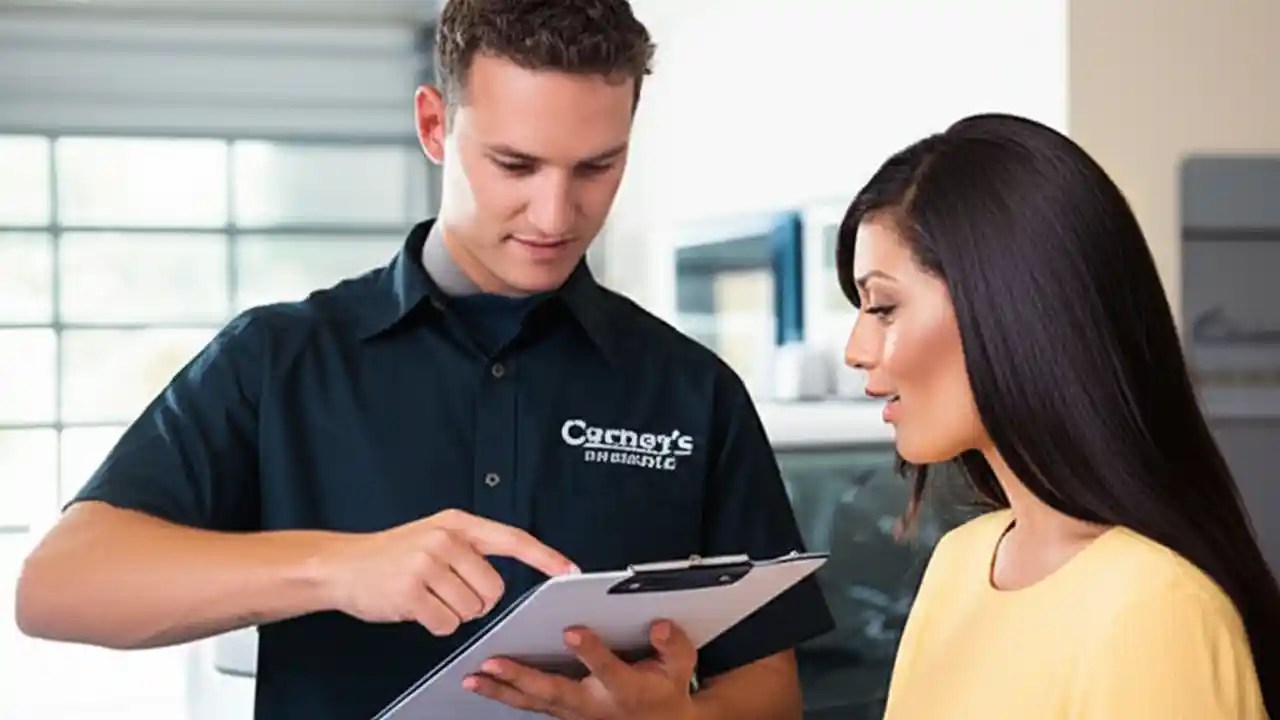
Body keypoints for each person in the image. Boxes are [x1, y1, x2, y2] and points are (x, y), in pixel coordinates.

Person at [14, 1, 833, 718]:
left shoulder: (695, 392)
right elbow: (57, 587)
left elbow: (770, 696)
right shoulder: (278, 359)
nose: (555, 213)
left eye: (597, 166)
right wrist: (336, 568)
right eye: (514, 164)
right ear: (435, 126)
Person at [839, 113, 1278, 718]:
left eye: (883, 307)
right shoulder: (961, 562)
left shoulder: (1154, 607)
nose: (856, 351)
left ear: (1004, 304)